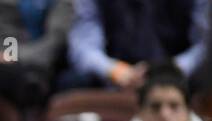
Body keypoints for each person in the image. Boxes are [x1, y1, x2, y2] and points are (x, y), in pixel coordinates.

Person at [62, 0, 208, 90]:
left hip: (177, 72)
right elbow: (83, 45)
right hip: (115, 73)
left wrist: (169, 70)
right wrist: (114, 71)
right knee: (70, 81)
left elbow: (203, 45)